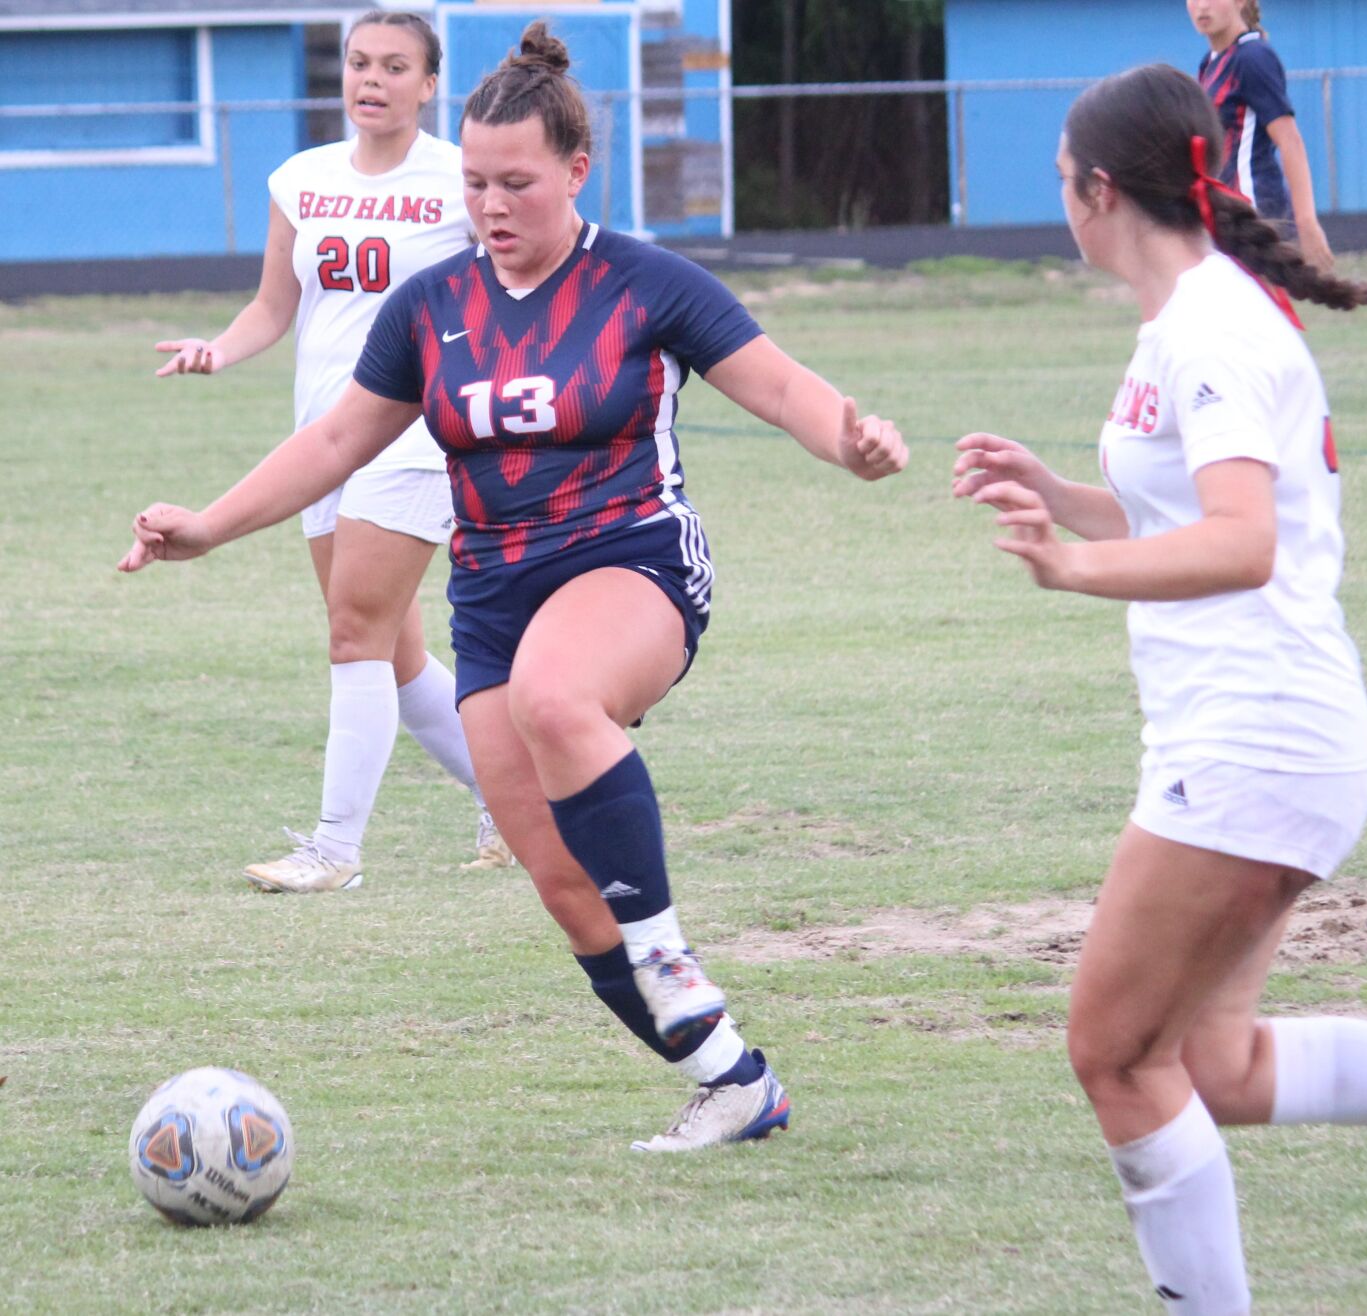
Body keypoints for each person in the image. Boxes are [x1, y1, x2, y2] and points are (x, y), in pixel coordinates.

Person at [121, 21, 908, 1152]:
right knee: (562, 882)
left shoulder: (645, 281)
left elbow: (781, 389)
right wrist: (208, 525)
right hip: (492, 600)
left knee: (556, 698)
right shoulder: (432, 307)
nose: (490, 204)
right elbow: (338, 436)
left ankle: (671, 953)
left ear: (577, 171)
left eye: (516, 183)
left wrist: (855, 440)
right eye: (478, 182)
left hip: (630, 562)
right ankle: (731, 1078)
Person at [953, 63, 1367, 1314]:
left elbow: (1243, 540)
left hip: (1255, 740)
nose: (1059, 204)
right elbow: (1195, 504)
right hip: (1267, 735)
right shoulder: (1189, 320)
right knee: (1213, 1064)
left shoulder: (1212, 329)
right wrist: (1067, 495)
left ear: (1096, 191)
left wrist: (1078, 566)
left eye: (1059, 184)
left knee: (1114, 1055)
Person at [154, 9, 511, 894]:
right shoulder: (301, 177)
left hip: (416, 435)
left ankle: (334, 851)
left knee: (354, 631)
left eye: (396, 66)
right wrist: (218, 350)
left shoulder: (457, 181)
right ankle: (518, 796)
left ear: (431, 85)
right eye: (359, 63)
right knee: (390, 652)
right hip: (323, 440)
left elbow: (517, 280)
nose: (373, 79)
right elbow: (273, 309)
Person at [1188, 0, 1335, 271]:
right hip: (1225, 215)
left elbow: (1290, 141)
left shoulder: (1253, 57)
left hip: (1255, 213)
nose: (1202, 6)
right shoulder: (1209, 63)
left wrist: (1306, 222)